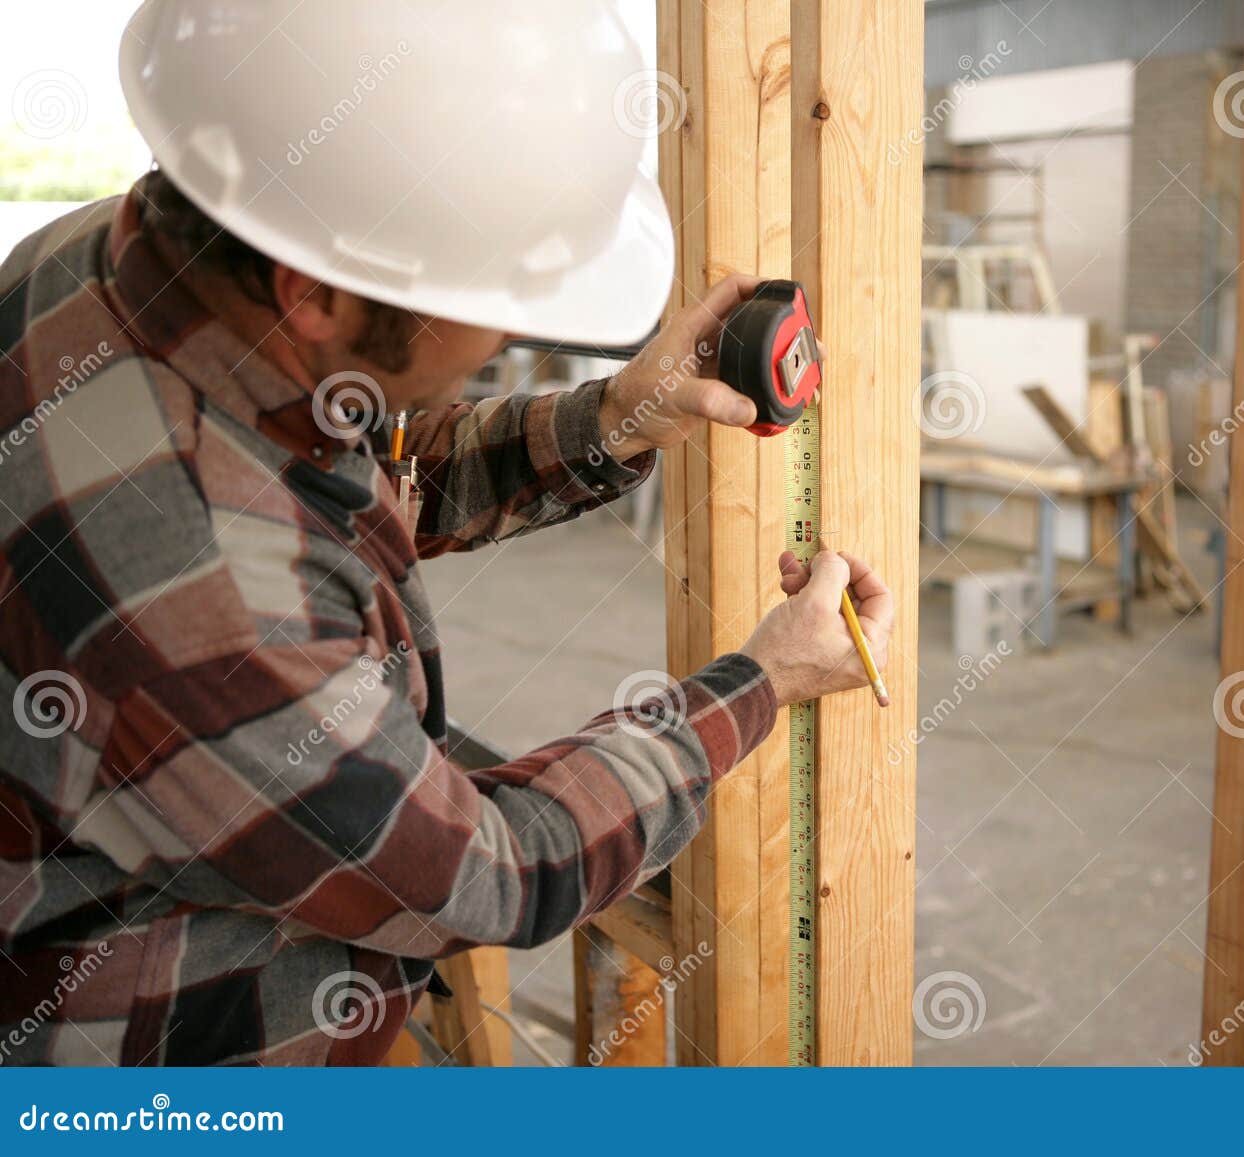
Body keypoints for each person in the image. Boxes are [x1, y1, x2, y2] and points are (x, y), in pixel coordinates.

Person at [0, 0, 892, 1065]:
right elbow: (498, 872)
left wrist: (613, 416)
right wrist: (762, 680)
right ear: (318, 295)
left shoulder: (121, 260)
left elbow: (351, 477)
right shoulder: (204, 599)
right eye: (497, 299)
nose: (512, 331)